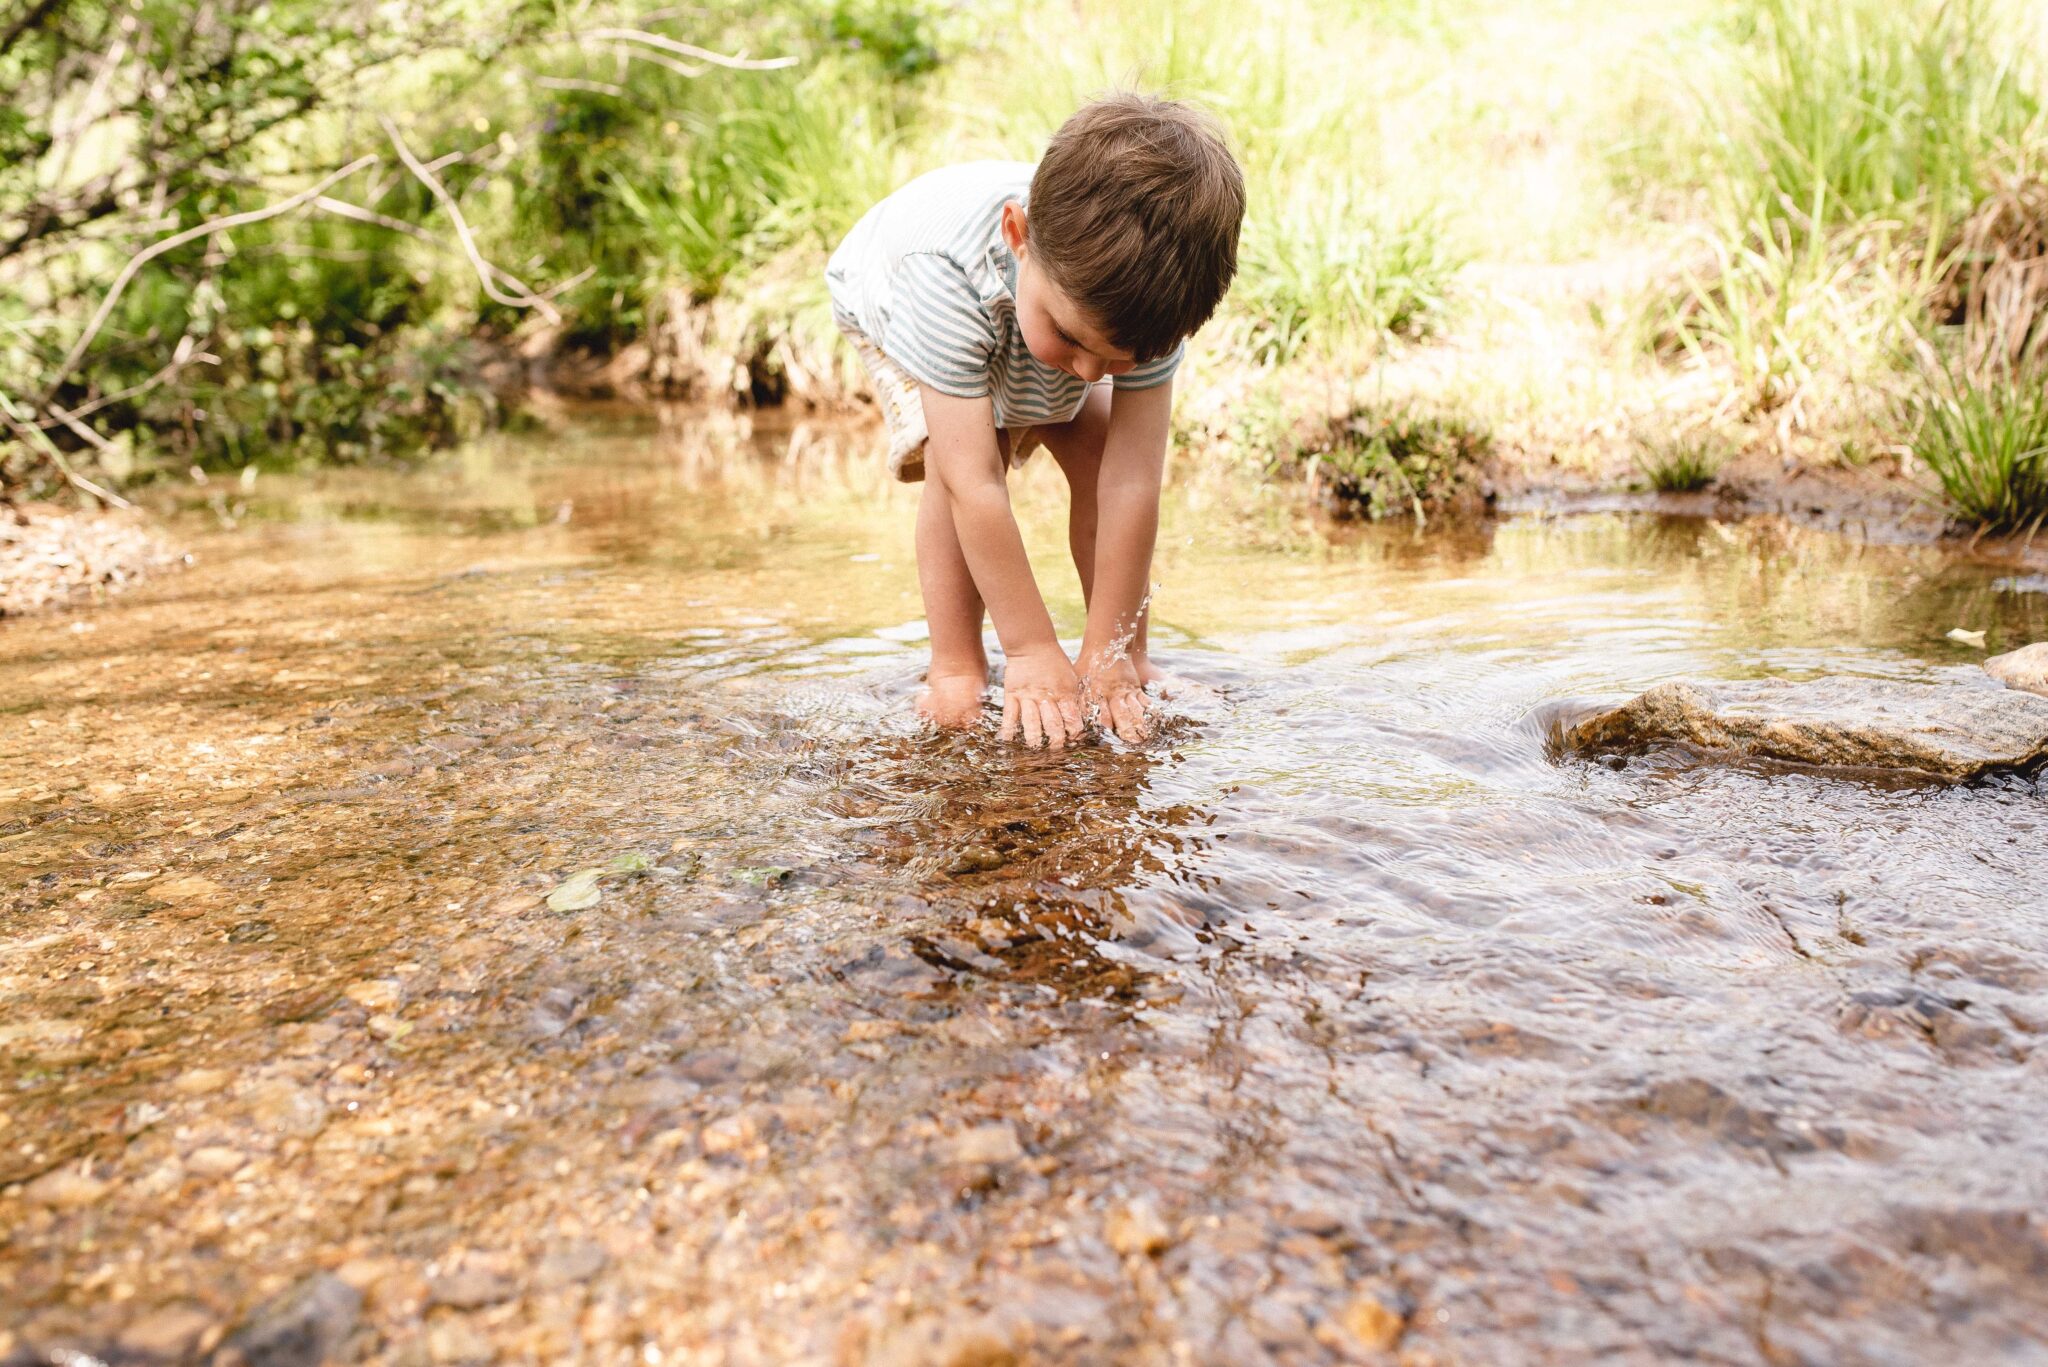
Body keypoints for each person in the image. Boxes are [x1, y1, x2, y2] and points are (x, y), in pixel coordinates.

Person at [826, 93, 1245, 749]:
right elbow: (973, 483)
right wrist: (1028, 647)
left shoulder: (1149, 300)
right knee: (962, 451)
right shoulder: (939, 275)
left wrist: (1103, 649)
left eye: (1120, 360)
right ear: (1019, 236)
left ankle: (1126, 661)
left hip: (1028, 298)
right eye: (1073, 340)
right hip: (895, 289)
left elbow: (1131, 482)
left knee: (1100, 445)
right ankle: (958, 665)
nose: (1087, 374)